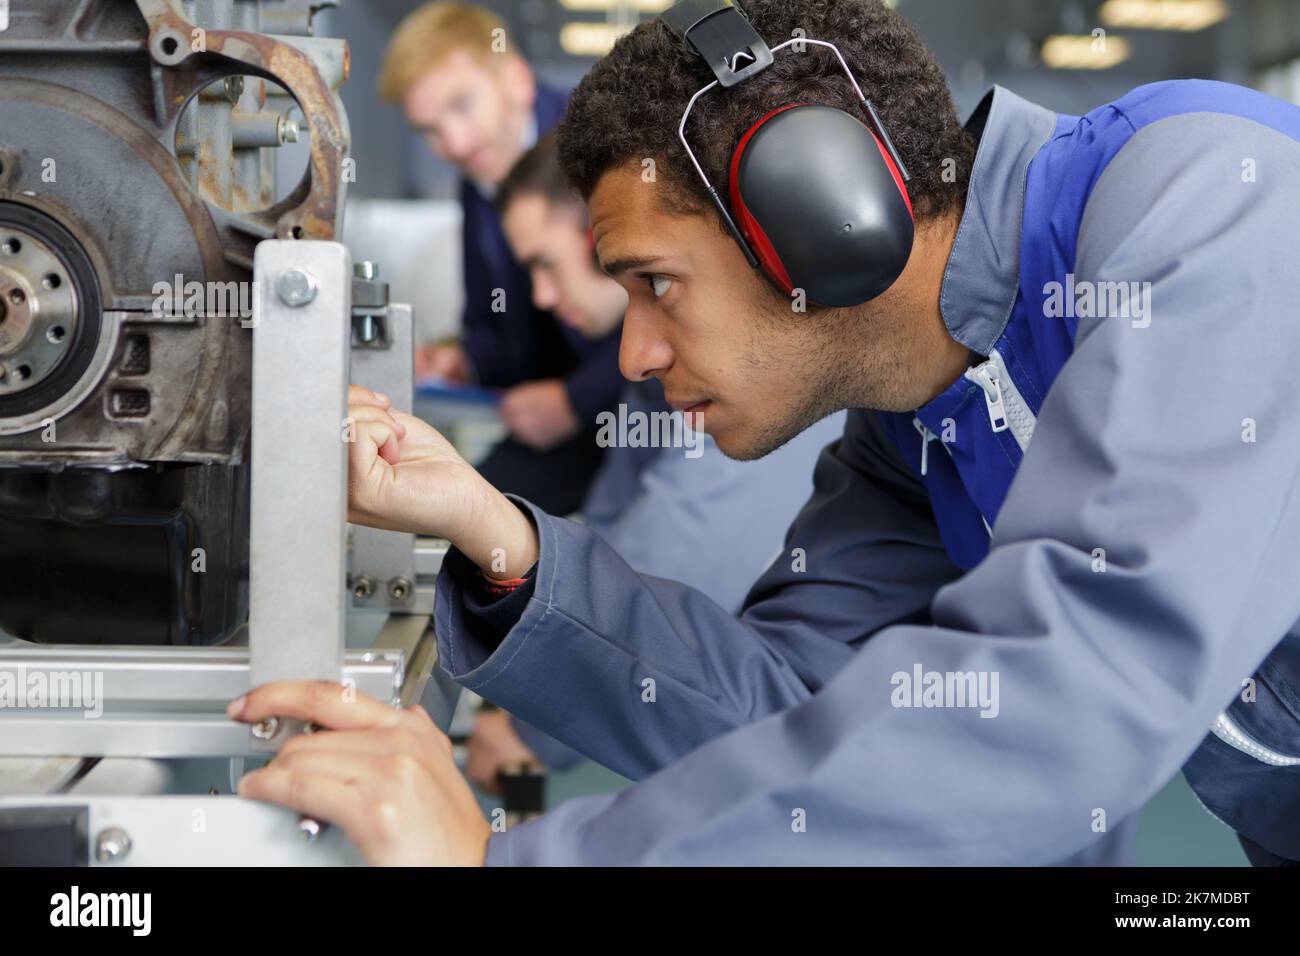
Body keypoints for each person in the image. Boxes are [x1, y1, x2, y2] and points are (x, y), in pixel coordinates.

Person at [233, 0, 1300, 866]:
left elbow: (1073, 696)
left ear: (819, 215)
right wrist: (496, 534)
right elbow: (783, 703)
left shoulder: (1207, 207)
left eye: (656, 283)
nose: (638, 354)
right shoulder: (915, 423)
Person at [466, 133, 845, 787]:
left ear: (602, 239)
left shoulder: (732, 353)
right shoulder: (648, 369)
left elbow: (679, 557)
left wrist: (534, 723)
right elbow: (621, 527)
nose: (541, 297)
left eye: (547, 264)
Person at [379, 2, 624, 512]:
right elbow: (497, 324)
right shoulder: (480, 183)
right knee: (460, 512)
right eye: (429, 129)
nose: (454, 143)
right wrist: (465, 359)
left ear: (514, 80)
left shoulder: (601, 145)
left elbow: (662, 299)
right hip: (567, 413)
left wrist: (576, 401)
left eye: (461, 104)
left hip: (633, 400)